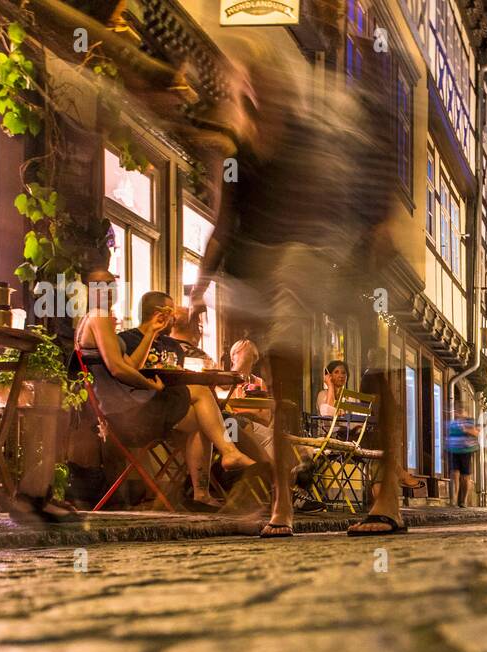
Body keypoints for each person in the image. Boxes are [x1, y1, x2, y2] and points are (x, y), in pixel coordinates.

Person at [189, 34, 403, 537]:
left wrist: (379, 225)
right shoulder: (242, 155)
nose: (265, 97)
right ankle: (282, 504)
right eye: (254, 88)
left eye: (273, 86)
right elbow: (224, 226)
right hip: (283, 266)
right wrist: (198, 293)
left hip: (342, 250)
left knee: (375, 365)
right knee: (282, 376)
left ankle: (388, 492)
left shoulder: (317, 136)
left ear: (288, 89)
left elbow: (364, 172)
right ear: (247, 93)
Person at [76, 269, 254, 511]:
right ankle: (229, 452)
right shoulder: (98, 316)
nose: (109, 291)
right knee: (200, 392)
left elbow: (132, 365)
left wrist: (151, 331)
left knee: (203, 420)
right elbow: (118, 369)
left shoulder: (97, 318)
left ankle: (201, 494)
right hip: (126, 416)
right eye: (103, 286)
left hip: (124, 412)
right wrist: (150, 385)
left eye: (112, 284)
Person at [446, 416, 480, 507]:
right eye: (457, 410)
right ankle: (454, 499)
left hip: (466, 451)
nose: (458, 412)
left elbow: (477, 433)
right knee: (454, 474)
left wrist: (466, 430)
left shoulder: (470, 421)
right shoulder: (452, 423)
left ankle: (463, 500)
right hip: (454, 451)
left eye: (460, 410)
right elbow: (448, 436)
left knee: (465, 477)